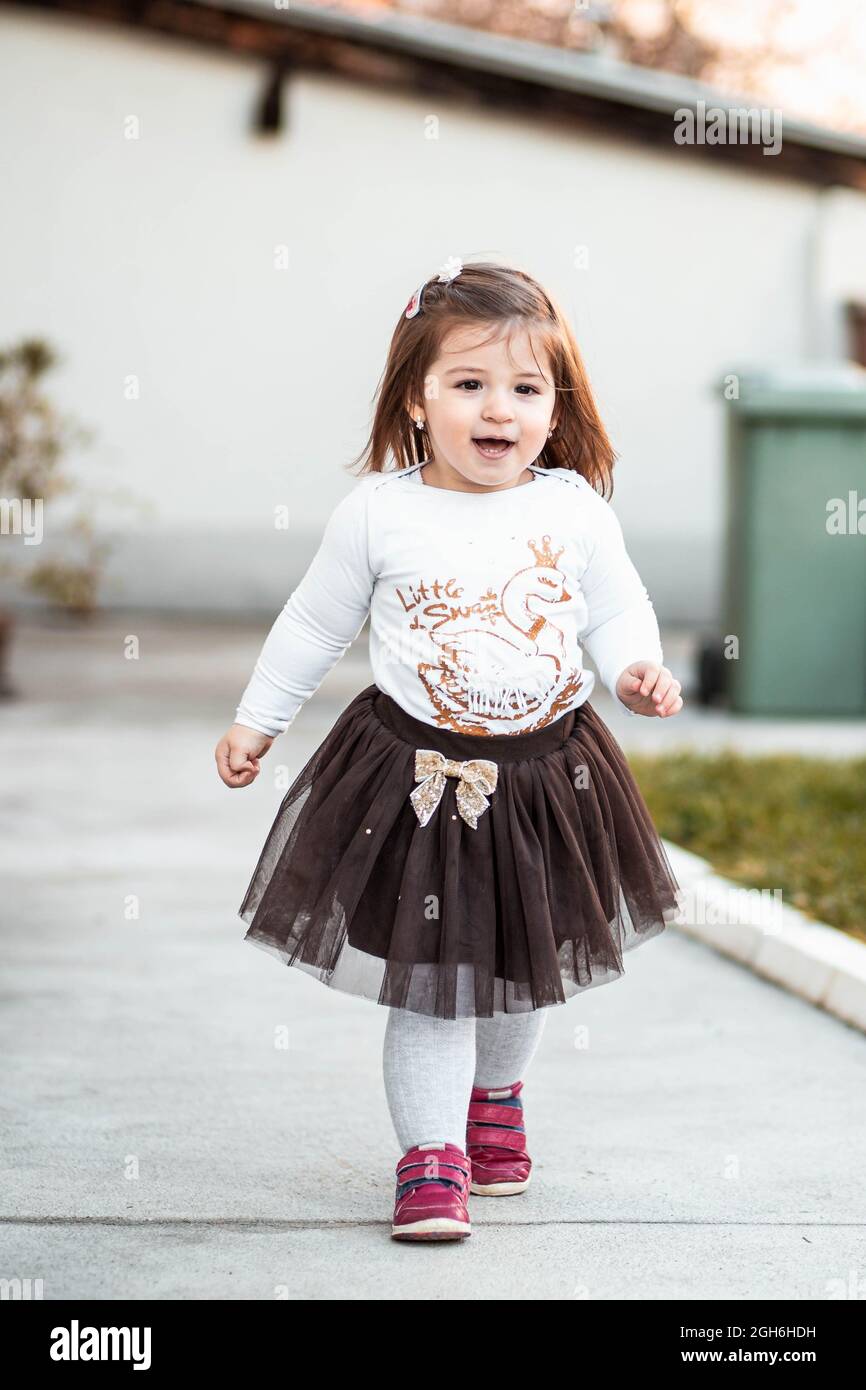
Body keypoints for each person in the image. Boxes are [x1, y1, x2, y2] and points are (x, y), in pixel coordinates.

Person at [214, 258, 684, 1242]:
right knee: (432, 980)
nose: (496, 409)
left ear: (555, 411)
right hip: (418, 783)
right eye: (466, 384)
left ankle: (496, 1098)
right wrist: (259, 719)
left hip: (548, 779)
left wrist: (634, 665)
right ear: (415, 401)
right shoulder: (380, 513)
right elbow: (313, 624)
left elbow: (614, 606)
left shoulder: (571, 509)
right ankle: (429, 1156)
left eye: (523, 389)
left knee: (524, 962)